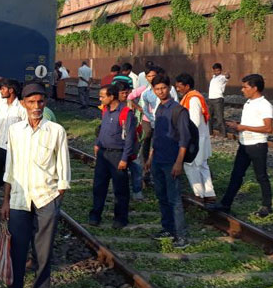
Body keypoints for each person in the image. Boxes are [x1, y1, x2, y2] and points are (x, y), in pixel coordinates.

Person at [0, 83, 71, 288]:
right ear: (23, 104)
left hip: (45, 199)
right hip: (19, 201)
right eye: (31, 102)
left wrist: (55, 199)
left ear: (45, 103)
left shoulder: (56, 131)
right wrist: (6, 200)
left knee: (43, 253)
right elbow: (10, 168)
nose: (36, 106)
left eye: (40, 102)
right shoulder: (15, 131)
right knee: (17, 252)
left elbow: (64, 173)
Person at [212, 74, 273, 218]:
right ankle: (225, 204)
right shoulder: (248, 103)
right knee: (236, 175)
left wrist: (242, 127)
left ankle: (267, 205)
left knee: (261, 176)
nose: (242, 90)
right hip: (244, 144)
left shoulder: (265, 105)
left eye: (245, 87)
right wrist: (239, 128)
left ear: (255, 88)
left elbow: (268, 128)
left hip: (257, 145)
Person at [145, 75, 191, 248]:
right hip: (158, 159)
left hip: (171, 160)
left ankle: (181, 235)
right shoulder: (160, 108)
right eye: (157, 89)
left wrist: (179, 162)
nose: (160, 92)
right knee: (162, 196)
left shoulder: (178, 110)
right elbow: (156, 136)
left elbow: (184, 140)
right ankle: (168, 228)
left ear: (169, 88)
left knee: (175, 199)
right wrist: (150, 158)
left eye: (163, 88)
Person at [90, 84, 136, 229]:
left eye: (103, 96)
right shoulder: (105, 110)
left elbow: (130, 137)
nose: (100, 98)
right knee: (99, 186)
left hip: (118, 154)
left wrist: (124, 158)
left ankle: (120, 218)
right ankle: (95, 215)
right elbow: (103, 128)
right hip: (103, 154)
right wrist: (98, 143)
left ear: (112, 97)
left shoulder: (126, 113)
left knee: (120, 189)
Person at [0, 79, 26, 216]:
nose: (1, 91)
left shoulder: (21, 109)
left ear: (11, 90)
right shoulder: (2, 105)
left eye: (3, 88)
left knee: (11, 179)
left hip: (12, 149)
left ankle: (11, 208)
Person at [175, 74, 215, 205]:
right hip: (199, 137)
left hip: (195, 138)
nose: (177, 89)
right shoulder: (193, 96)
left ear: (186, 86)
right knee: (202, 165)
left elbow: (194, 121)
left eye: (179, 86)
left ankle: (199, 194)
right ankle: (209, 193)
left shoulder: (192, 99)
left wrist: (182, 133)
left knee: (190, 165)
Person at [208, 63, 230, 138]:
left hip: (218, 99)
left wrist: (227, 75)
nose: (217, 72)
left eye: (218, 70)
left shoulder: (222, 78)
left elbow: (227, 77)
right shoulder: (213, 78)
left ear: (221, 70)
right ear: (213, 71)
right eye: (215, 70)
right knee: (209, 117)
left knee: (219, 117)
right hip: (211, 99)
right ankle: (210, 133)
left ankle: (223, 134)